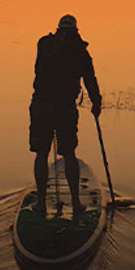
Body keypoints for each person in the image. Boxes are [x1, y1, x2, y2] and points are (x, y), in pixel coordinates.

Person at [29, 14, 102, 215]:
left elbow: (38, 71)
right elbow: (90, 80)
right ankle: (76, 203)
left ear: (58, 28)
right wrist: (96, 103)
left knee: (41, 154)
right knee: (69, 154)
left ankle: (41, 204)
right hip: (64, 109)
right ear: (76, 31)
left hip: (41, 105)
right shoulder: (80, 52)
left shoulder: (44, 44)